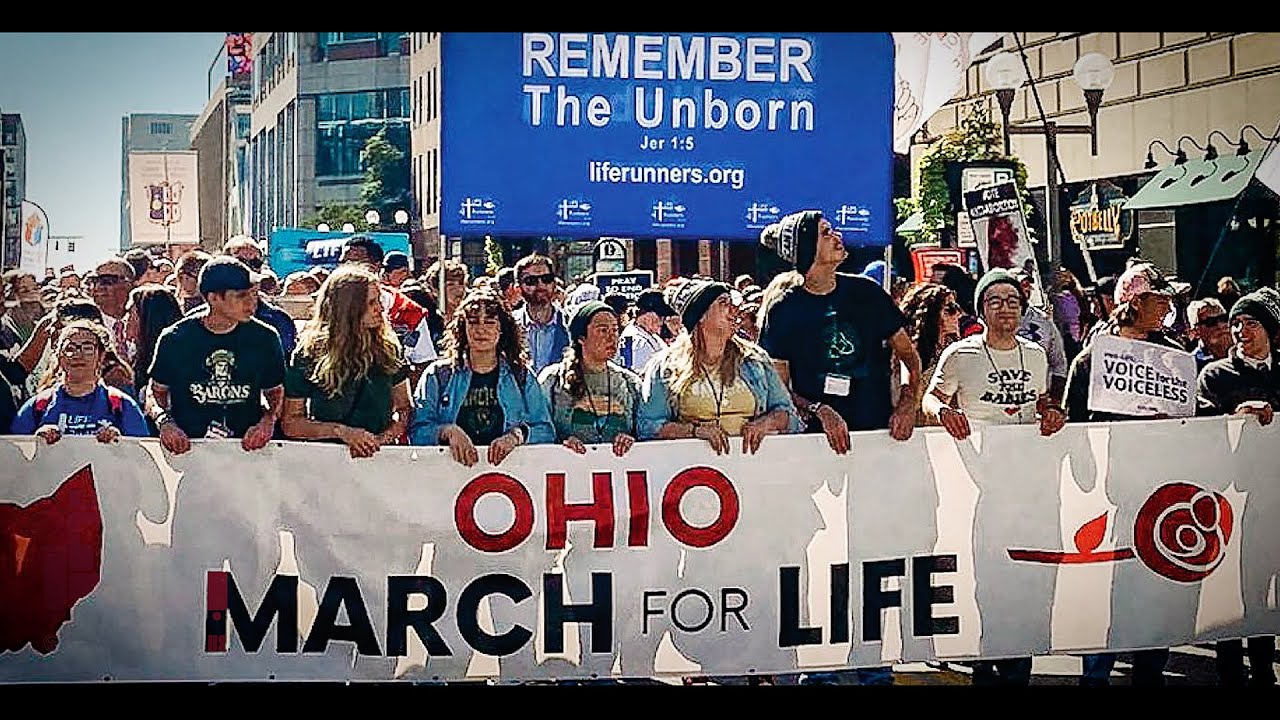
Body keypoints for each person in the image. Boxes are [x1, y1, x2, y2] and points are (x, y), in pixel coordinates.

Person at [757, 210, 922, 686]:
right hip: (813, 453)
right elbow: (781, 389)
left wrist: (908, 404)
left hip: (873, 444)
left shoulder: (866, 295)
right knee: (813, 555)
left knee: (871, 554)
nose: (839, 238)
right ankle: (818, 662)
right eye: (826, 234)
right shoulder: (783, 309)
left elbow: (911, 358)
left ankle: (872, 662)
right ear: (806, 248)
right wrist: (818, 411)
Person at [922, 271, 1064, 686]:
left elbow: (1041, 402)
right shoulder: (961, 355)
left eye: (1013, 301)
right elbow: (932, 397)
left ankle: (1019, 662)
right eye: (996, 301)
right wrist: (944, 413)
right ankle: (984, 659)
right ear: (981, 309)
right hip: (978, 484)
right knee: (984, 573)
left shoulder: (1036, 354)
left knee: (1025, 573)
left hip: (1026, 486)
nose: (1005, 309)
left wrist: (1051, 412)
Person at [1064, 262, 1183, 686]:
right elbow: (1074, 432)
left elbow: (1193, 421)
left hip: (1160, 496)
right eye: (1158, 297)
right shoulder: (1091, 362)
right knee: (1105, 594)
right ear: (1134, 302)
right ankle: (1095, 678)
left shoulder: (1175, 357)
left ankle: (1149, 674)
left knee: (1156, 588)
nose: (1168, 305)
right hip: (1108, 498)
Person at [1195, 287, 1280, 688]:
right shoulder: (1215, 375)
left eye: (1251, 323)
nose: (1240, 330)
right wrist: (1233, 417)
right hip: (1228, 497)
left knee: (1264, 586)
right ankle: (1229, 670)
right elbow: (1198, 427)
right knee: (1229, 588)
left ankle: (1264, 668)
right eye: (1236, 323)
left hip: (1272, 498)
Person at [637, 279, 799, 453]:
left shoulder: (754, 360)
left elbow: (788, 414)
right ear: (701, 316)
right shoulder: (666, 366)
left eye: (732, 303)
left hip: (752, 464)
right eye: (723, 303)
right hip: (691, 468)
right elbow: (648, 425)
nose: (734, 310)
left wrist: (765, 423)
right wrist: (694, 432)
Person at [145, 257, 286, 455]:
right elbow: (155, 391)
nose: (251, 303)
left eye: (254, 294)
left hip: (247, 451)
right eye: (241, 295)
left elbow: (276, 391)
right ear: (213, 298)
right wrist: (164, 422)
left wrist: (268, 420)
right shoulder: (176, 338)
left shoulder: (265, 337)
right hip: (191, 452)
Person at [280, 265, 413, 458]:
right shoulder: (310, 352)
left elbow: (404, 408)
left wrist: (384, 438)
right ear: (350, 308)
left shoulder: (389, 348)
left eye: (379, 300)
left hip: (381, 456)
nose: (380, 309)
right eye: (371, 303)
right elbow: (291, 422)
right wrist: (342, 432)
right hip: (328, 459)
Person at [409, 289, 553, 466]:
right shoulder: (438, 375)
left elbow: (546, 430)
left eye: (490, 322)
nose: (481, 329)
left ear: (502, 329)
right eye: (473, 322)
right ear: (463, 328)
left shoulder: (521, 376)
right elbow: (417, 431)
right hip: (447, 479)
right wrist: (446, 431)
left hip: (510, 476)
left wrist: (516, 436)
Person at [10, 320, 149, 442]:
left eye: (87, 348)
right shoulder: (37, 408)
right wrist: (35, 440)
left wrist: (120, 442)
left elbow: (143, 459)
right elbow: (13, 457)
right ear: (59, 357)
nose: (78, 354)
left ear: (101, 356)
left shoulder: (121, 406)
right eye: (70, 349)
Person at [538, 300, 641, 456]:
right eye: (602, 330)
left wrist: (630, 439)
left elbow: (645, 432)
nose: (612, 338)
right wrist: (561, 444)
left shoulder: (630, 382)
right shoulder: (553, 380)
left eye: (615, 330)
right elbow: (539, 429)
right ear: (581, 337)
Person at [339, 235, 437, 369]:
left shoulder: (406, 311)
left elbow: (424, 364)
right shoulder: (327, 308)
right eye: (343, 263)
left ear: (376, 266)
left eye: (355, 263)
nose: (346, 271)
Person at [218, 236, 298, 357]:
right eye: (240, 262)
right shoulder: (203, 318)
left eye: (255, 262)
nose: (248, 268)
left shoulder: (279, 319)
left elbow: (286, 363)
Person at [897, 282, 962, 426]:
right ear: (931, 316)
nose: (958, 314)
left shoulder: (958, 353)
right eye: (950, 309)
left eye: (957, 308)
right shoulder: (905, 359)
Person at [1014, 268, 1068, 405]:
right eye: (1021, 285)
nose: (1025, 289)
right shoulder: (993, 320)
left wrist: (1055, 401)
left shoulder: (1043, 321)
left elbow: (1059, 363)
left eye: (1028, 285)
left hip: (1039, 398)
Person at [124, 284, 182, 408]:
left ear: (147, 317)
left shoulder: (175, 358)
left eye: (130, 313)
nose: (126, 320)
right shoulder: (135, 355)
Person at [512, 253, 570, 375]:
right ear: (518, 288)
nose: (541, 285)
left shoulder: (571, 324)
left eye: (546, 279)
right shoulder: (509, 325)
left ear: (554, 284)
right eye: (530, 281)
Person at [616, 288, 675, 375]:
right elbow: (638, 377)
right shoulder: (638, 342)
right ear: (646, 315)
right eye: (660, 316)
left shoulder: (645, 334)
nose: (662, 321)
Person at [423, 258, 469, 348]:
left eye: (461, 283)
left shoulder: (469, 319)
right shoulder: (429, 321)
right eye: (451, 285)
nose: (459, 290)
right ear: (435, 289)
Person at [1186, 297, 1231, 371]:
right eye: (1210, 322)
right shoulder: (1191, 364)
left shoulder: (1245, 352)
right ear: (1196, 332)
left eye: (1223, 319)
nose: (1221, 325)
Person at [3, 270, 48, 345]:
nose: (32, 294)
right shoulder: (8, 322)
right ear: (14, 295)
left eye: (35, 289)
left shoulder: (49, 316)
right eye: (24, 291)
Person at [174, 250, 213, 314]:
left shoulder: (216, 306)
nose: (184, 282)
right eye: (181, 278)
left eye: (188, 277)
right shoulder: (175, 306)